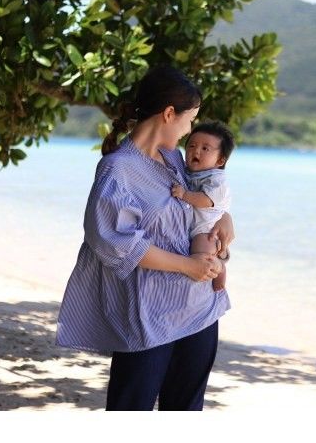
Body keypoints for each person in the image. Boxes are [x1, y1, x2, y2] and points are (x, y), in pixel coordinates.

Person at [55, 65, 234, 411]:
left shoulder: (173, 159)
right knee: (130, 409)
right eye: (189, 119)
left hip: (198, 309)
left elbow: (204, 199)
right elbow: (113, 242)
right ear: (169, 113)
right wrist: (187, 266)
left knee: (185, 409)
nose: (190, 130)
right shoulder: (118, 168)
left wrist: (226, 218)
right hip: (148, 315)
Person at [171, 121, 234, 292]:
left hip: (206, 229)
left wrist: (184, 195)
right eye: (191, 145)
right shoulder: (190, 172)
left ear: (220, 160)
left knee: (201, 256)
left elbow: (206, 200)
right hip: (197, 225)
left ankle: (220, 269)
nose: (196, 151)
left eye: (205, 149)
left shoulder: (216, 180)